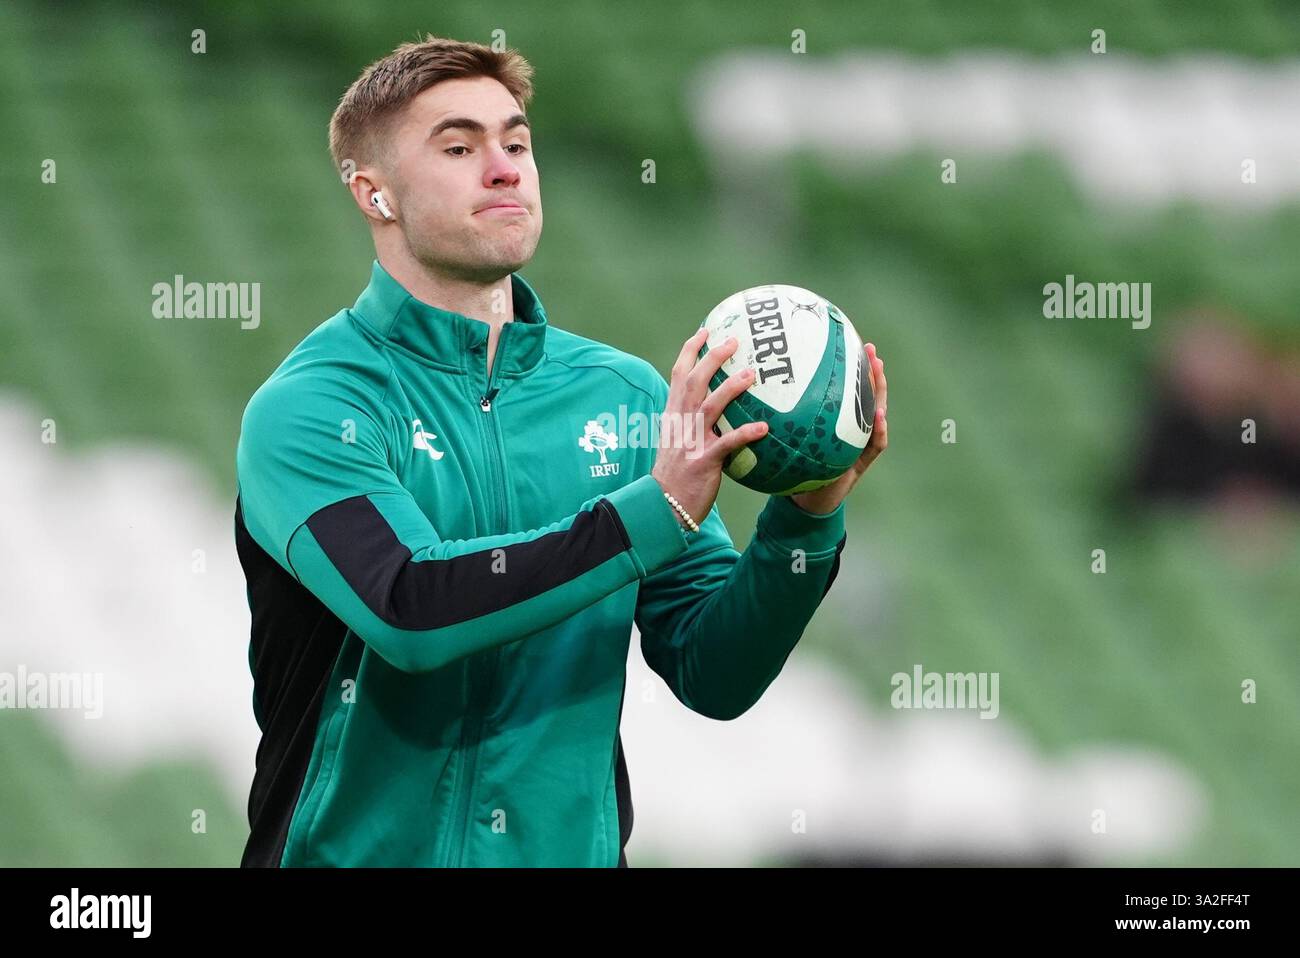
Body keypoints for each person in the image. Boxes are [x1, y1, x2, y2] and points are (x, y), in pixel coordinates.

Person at [233, 35, 889, 867]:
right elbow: (408, 608)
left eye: (516, 142)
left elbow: (713, 671)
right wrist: (652, 513)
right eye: (460, 147)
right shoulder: (314, 408)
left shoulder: (626, 395)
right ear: (374, 192)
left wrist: (808, 514)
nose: (504, 168)